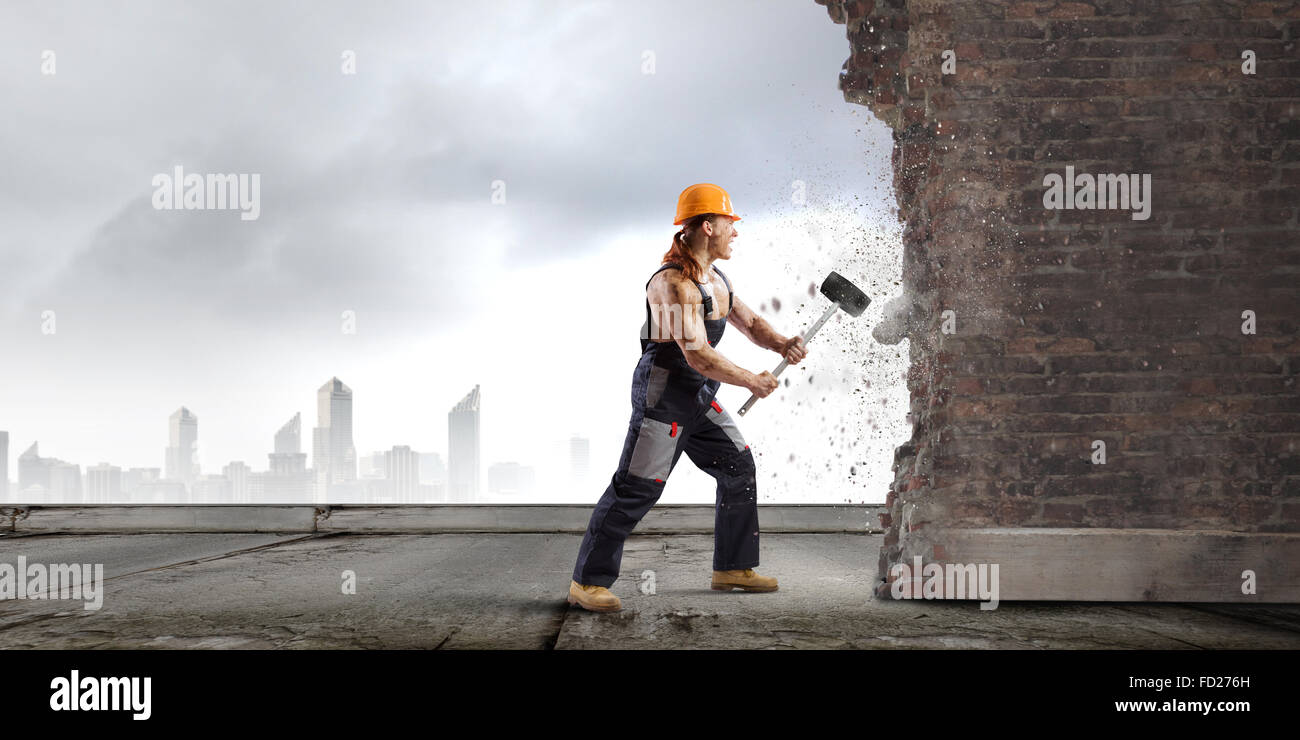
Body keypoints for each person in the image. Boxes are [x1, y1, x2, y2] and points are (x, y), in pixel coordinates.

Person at [568, 183, 809, 613]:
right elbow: (697, 354)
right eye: (728, 224)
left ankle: (733, 567)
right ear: (705, 226)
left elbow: (751, 324)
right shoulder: (672, 284)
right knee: (636, 489)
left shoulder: (717, 280)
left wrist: (782, 344)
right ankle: (587, 583)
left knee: (738, 465)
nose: (735, 232)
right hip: (665, 396)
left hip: (700, 397)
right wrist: (752, 381)